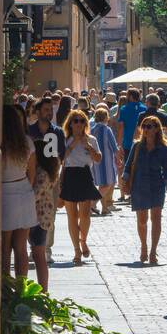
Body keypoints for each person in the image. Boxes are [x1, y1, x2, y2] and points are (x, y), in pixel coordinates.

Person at [122, 115, 167, 264]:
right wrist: (125, 181)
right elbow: (128, 165)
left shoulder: (162, 148)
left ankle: (153, 251)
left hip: (157, 185)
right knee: (142, 220)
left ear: (157, 129)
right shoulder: (137, 146)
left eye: (149, 126)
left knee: (156, 218)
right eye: (144, 126)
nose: (145, 129)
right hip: (139, 185)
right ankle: (143, 246)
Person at [27, 96, 66, 276]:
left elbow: (61, 156)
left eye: (51, 110)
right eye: (46, 110)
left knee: (49, 213)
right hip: (32, 176)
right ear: (38, 111)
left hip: (51, 179)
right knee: (31, 211)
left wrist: (57, 178)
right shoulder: (29, 131)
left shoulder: (57, 132)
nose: (49, 113)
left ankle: (45, 248)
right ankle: (33, 245)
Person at [59, 107, 102, 265]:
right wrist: (73, 144)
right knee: (72, 216)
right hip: (70, 175)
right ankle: (76, 251)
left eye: (82, 121)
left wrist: (88, 147)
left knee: (85, 215)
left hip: (84, 175)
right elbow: (60, 158)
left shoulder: (91, 139)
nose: (79, 124)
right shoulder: (64, 139)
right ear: (70, 124)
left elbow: (98, 159)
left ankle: (83, 240)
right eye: (75, 121)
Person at [1, 103, 38, 278]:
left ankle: (5, 289)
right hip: (24, 191)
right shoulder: (27, 142)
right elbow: (32, 172)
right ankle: (21, 289)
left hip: (5, 193)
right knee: (21, 247)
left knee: (5, 247)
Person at [90, 104, 120, 214]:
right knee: (107, 185)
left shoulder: (92, 130)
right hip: (106, 162)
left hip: (95, 162)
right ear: (106, 117)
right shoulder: (107, 130)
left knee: (102, 185)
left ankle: (104, 208)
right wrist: (119, 160)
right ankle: (93, 204)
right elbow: (114, 147)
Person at [116, 87, 147, 163]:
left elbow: (121, 128)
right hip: (143, 142)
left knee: (128, 168)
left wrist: (119, 145)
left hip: (128, 143)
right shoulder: (145, 108)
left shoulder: (124, 109)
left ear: (130, 97)